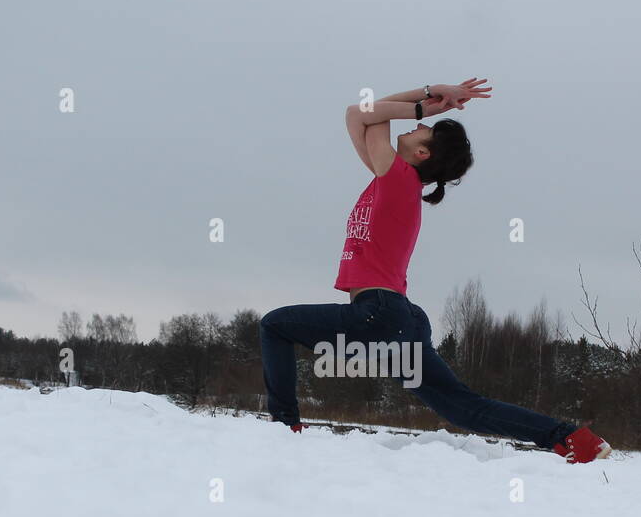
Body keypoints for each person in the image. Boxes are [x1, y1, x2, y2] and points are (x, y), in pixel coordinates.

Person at [259, 78, 610, 463]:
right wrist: (429, 95)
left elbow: (363, 112)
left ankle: (283, 427)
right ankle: (572, 439)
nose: (415, 127)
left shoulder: (397, 179)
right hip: (397, 319)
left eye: (423, 130)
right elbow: (363, 115)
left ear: (423, 153)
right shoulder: (389, 179)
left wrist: (428, 106)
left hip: (377, 314)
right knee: (460, 406)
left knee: (275, 325)